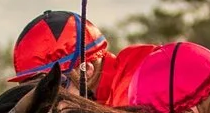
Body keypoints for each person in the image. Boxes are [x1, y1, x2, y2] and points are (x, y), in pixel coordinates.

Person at [8, 11, 155, 107]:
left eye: (52, 85)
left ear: (86, 70)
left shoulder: (142, 82)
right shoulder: (93, 102)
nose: (45, 100)